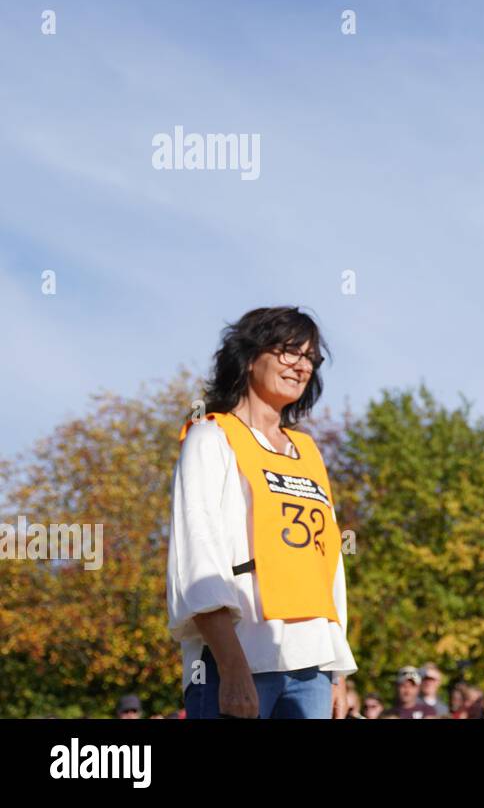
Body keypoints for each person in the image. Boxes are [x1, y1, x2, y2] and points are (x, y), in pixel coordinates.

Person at [167, 307, 356, 719]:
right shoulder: (210, 437)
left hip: (314, 669)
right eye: (289, 351)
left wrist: (337, 672)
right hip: (236, 661)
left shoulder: (308, 452)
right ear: (250, 356)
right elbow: (198, 558)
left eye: (310, 357)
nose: (301, 365)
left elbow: (328, 565)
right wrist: (233, 667)